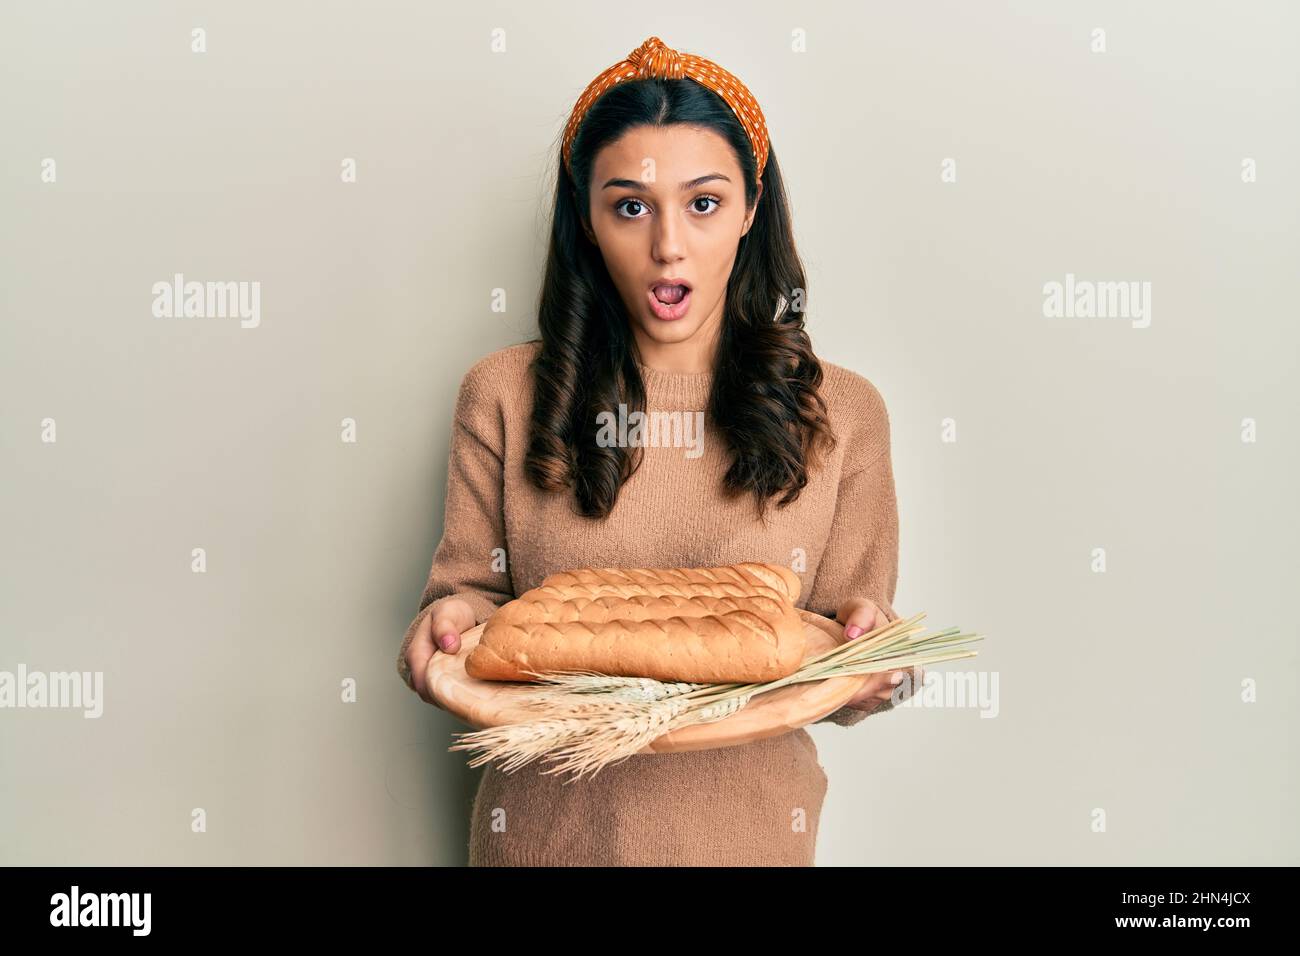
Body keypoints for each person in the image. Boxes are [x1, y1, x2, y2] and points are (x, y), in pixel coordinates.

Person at [397, 35, 919, 866]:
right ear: (588, 219)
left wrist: (880, 662)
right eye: (630, 205)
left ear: (752, 209)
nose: (668, 245)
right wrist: (446, 624)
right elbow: (468, 601)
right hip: (542, 844)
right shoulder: (501, 394)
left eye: (703, 203)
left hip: (752, 844)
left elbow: (845, 664)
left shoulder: (845, 413)